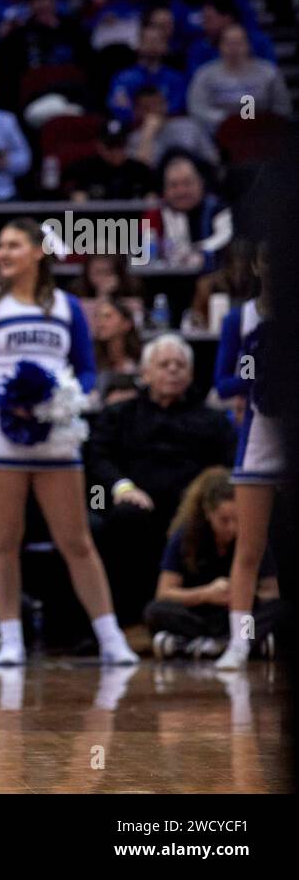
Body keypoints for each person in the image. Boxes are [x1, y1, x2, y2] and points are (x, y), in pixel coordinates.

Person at [0, 218, 137, 666]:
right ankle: (11, 637)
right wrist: (5, 401)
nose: (3, 253)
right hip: (1, 436)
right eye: (0, 246)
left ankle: (110, 636)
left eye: (14, 245)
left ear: (38, 251)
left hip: (56, 434)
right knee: (4, 538)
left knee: (75, 539)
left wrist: (66, 396)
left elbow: (88, 368)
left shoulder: (68, 306)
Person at [87, 334, 236, 624]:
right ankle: (123, 621)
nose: (172, 370)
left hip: (195, 506)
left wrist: (202, 496)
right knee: (124, 518)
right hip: (135, 503)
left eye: (180, 365)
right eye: (164, 364)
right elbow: (97, 459)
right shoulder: (119, 414)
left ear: (191, 374)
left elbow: (227, 467)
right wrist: (123, 487)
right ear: (145, 373)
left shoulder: (213, 420)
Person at [212, 243, 282, 669]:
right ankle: (240, 642)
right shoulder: (240, 319)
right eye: (269, 257)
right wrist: (256, 367)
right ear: (257, 264)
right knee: (249, 549)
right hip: (258, 440)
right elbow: (222, 384)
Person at [146, 467, 281, 661]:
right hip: (199, 614)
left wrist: (243, 594)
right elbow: (164, 593)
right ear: (208, 513)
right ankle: (240, 644)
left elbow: (271, 592)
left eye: (237, 519)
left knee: (279, 609)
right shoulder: (185, 536)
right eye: (224, 520)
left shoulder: (253, 535)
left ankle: (195, 646)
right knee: (156, 611)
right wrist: (206, 594)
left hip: (240, 616)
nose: (232, 528)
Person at [187, 23, 292, 135]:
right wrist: (227, 120)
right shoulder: (204, 74)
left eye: (239, 43)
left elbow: (282, 107)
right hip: (220, 132)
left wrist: (265, 122)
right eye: (229, 43)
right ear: (220, 46)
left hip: (263, 131)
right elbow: (197, 108)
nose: (234, 49)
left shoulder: (269, 72)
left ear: (248, 45)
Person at [145, 155, 232, 271]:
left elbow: (224, 238)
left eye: (187, 183)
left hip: (212, 275)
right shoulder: (155, 214)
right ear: (164, 189)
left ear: (200, 183)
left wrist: (196, 250)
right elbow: (146, 250)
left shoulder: (217, 209)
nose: (181, 191)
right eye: (174, 185)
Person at [108, 24, 188, 124]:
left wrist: (157, 116)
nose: (152, 45)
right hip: (133, 128)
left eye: (157, 41)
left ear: (165, 46)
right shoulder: (123, 78)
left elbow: (178, 106)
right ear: (138, 45)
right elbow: (118, 106)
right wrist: (140, 116)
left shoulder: (176, 78)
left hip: (168, 126)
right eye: (148, 41)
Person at [63, 120, 157, 201]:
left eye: (120, 145)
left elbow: (152, 201)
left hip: (134, 221)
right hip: (96, 221)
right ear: (99, 146)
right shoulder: (83, 171)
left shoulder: (140, 171)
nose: (116, 151)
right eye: (110, 145)